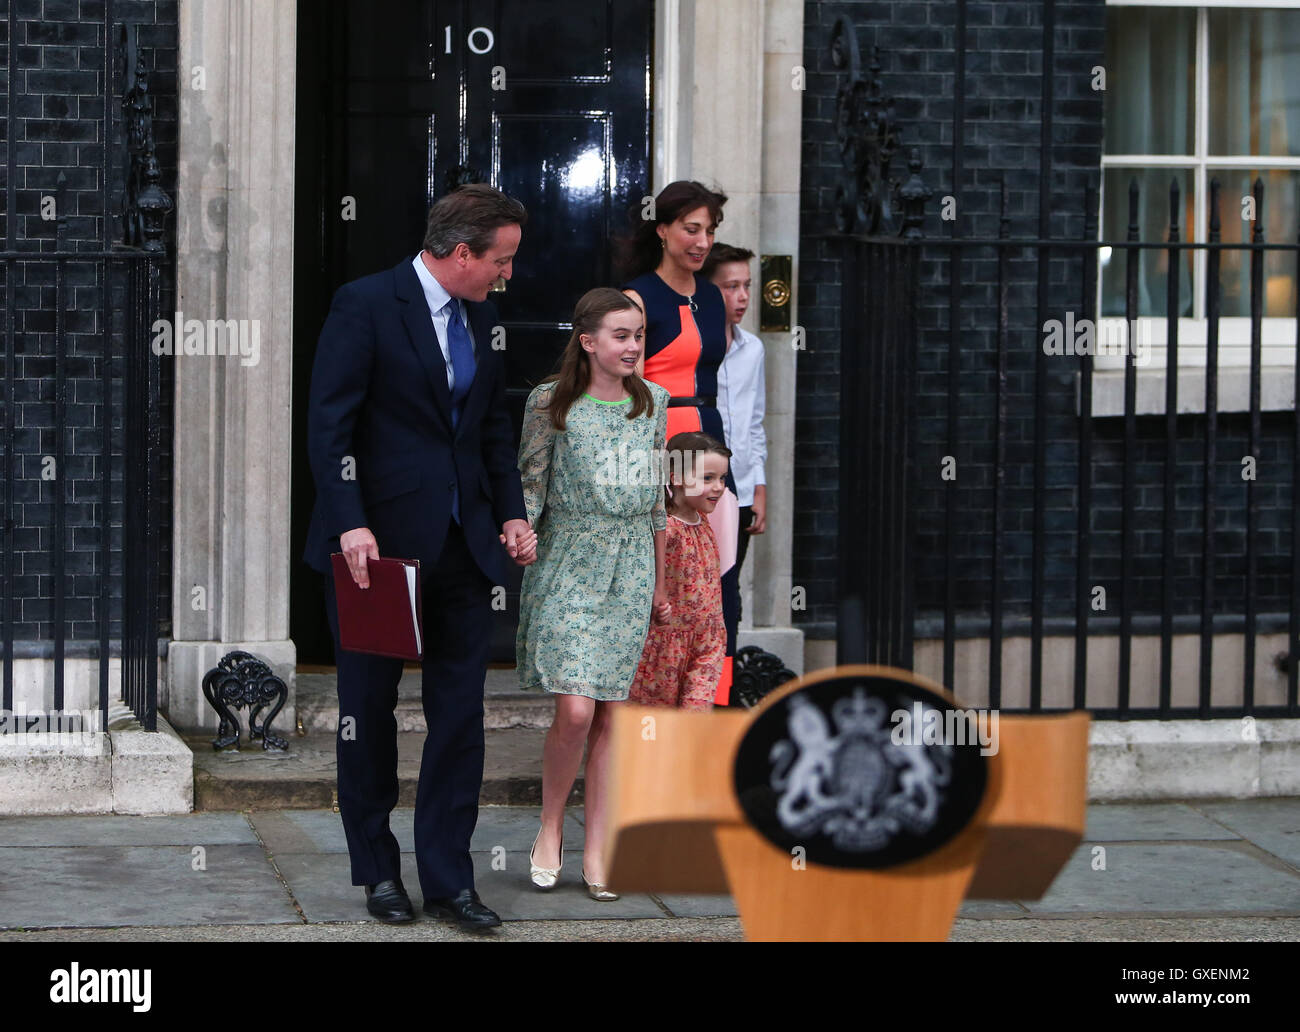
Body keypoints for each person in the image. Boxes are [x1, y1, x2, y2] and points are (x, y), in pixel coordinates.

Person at [303, 183, 538, 931]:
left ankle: (449, 880)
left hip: (464, 550)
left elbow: (492, 431)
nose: (508, 274)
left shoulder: (483, 318)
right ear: (462, 253)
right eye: (501, 260)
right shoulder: (365, 304)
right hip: (375, 554)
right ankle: (378, 871)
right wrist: (350, 525)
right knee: (368, 715)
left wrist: (510, 512)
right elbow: (329, 428)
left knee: (459, 718)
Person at [515, 287, 670, 902]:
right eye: (621, 335)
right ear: (588, 341)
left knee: (611, 711)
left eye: (638, 335)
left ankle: (599, 846)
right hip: (569, 559)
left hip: (632, 566)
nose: (633, 346)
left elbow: (657, 504)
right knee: (576, 710)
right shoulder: (550, 401)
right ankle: (551, 824)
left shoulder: (654, 401)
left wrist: (660, 582)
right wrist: (520, 533)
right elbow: (531, 483)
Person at [619, 180, 742, 707]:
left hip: (711, 441)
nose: (702, 241)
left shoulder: (712, 296)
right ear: (663, 229)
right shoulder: (637, 297)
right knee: (664, 580)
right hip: (663, 445)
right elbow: (627, 390)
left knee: (719, 578)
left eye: (709, 231)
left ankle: (711, 701)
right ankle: (647, 706)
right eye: (692, 229)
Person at [629, 432, 731, 711]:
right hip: (665, 648)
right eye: (708, 478)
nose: (719, 487)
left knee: (694, 718)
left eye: (722, 478)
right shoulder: (666, 529)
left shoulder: (703, 521)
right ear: (676, 478)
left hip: (707, 643)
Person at [704, 244, 767, 632]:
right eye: (731, 287)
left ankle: (725, 670)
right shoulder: (694, 350)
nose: (742, 296)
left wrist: (759, 486)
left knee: (729, 594)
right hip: (696, 488)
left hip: (740, 489)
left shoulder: (753, 349)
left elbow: (754, 423)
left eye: (747, 285)